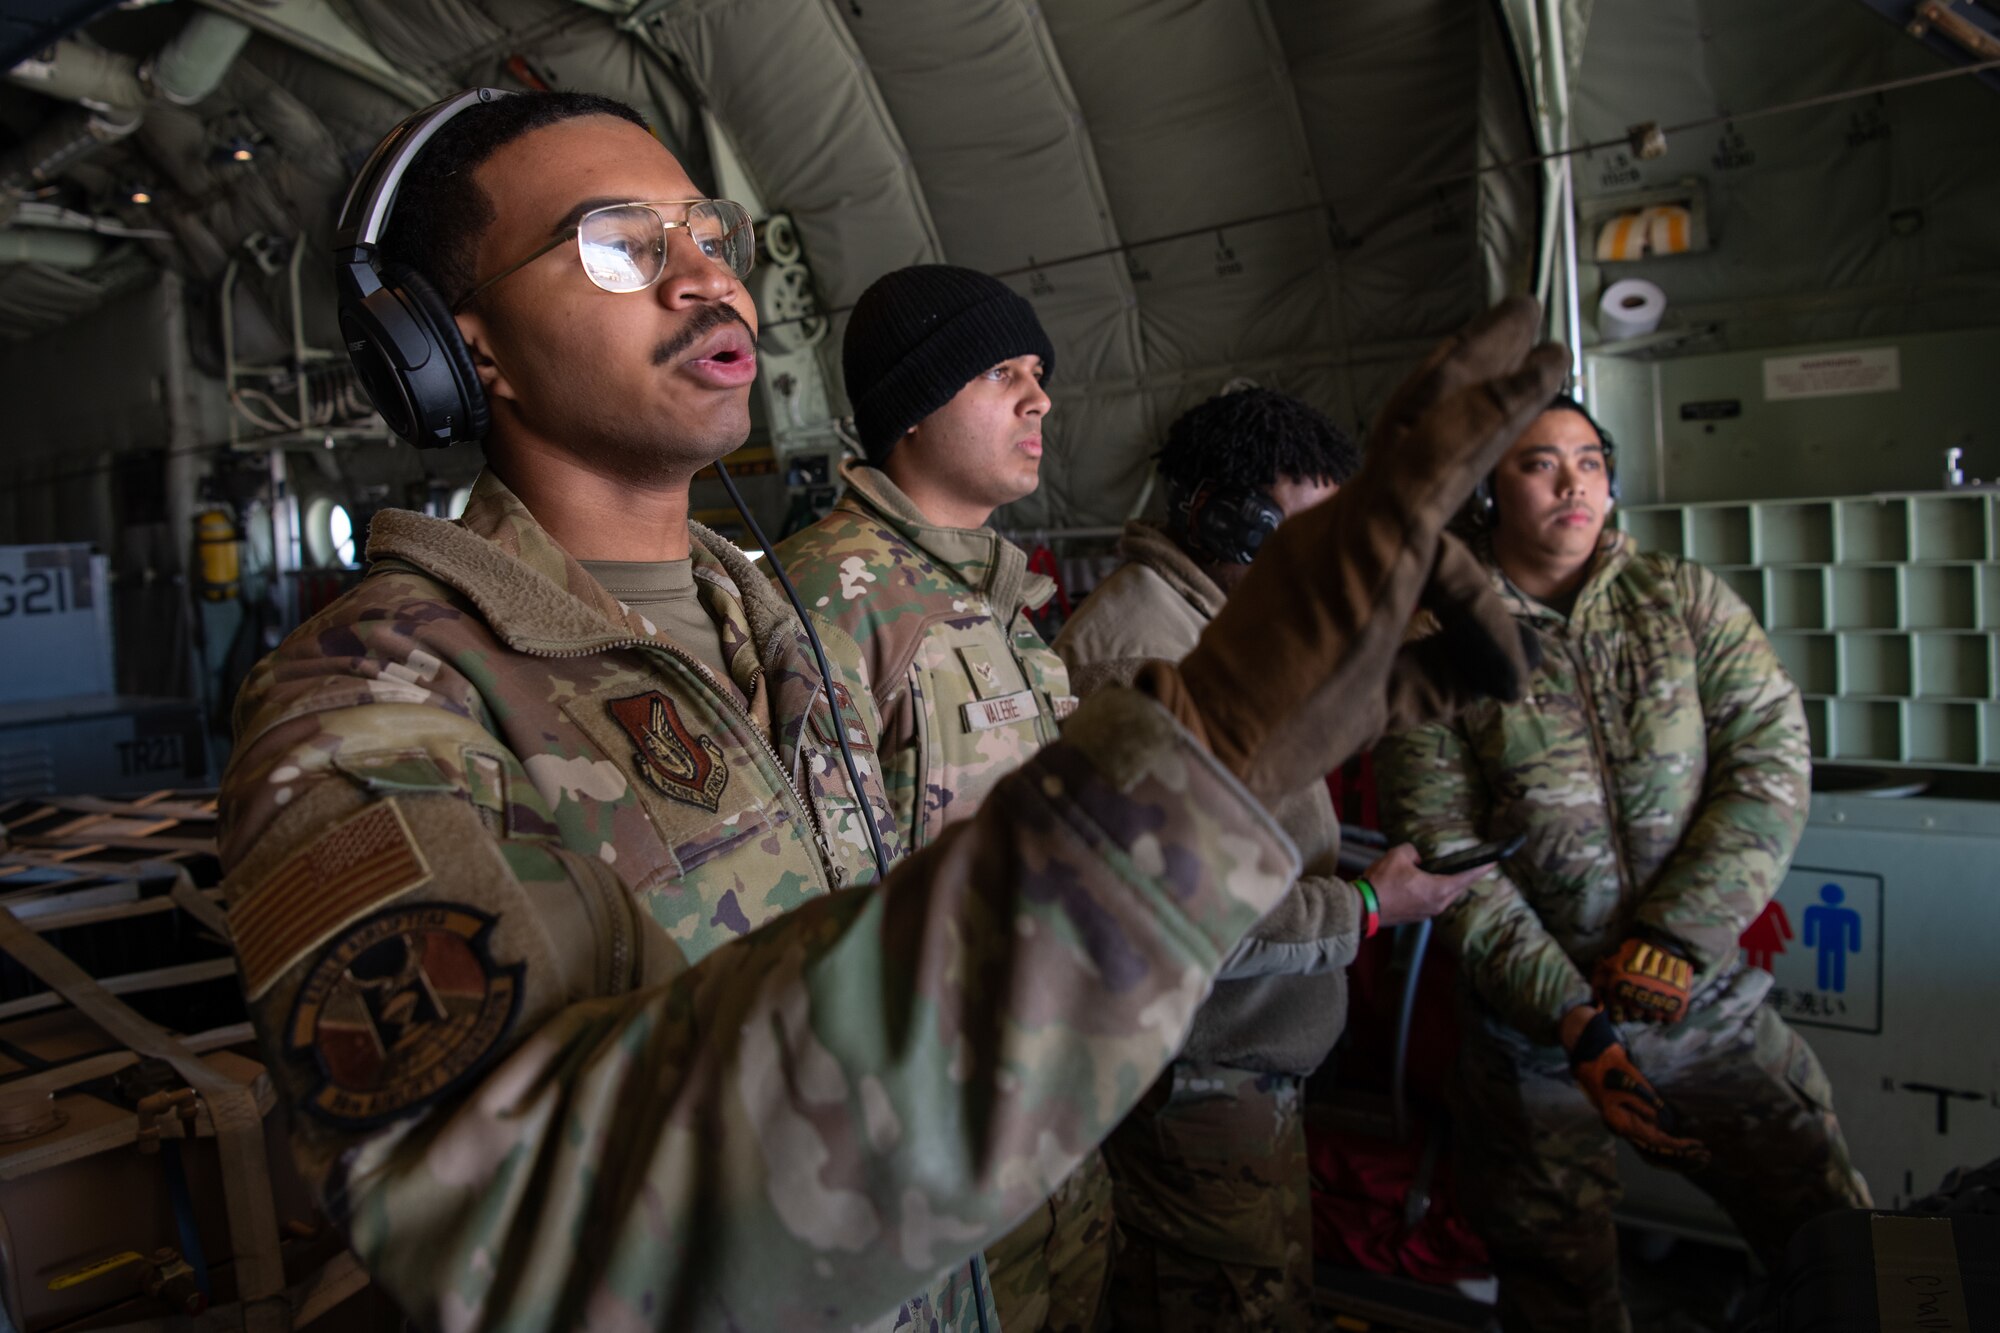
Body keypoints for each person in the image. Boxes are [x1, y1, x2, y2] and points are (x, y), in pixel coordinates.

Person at [218, 87, 1566, 1332]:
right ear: (460, 354)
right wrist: (1205, 747)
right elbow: (517, 1228)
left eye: (708, 229)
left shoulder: (774, 629)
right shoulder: (369, 704)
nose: (703, 273)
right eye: (620, 245)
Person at [1375, 394, 1870, 1332]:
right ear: (1488, 488)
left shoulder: (1682, 601)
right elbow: (1445, 854)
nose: (1575, 483)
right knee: (1558, 1294)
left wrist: (1676, 936)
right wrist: (1570, 1017)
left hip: (1701, 1005)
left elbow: (1770, 761)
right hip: (1537, 1045)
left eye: (1591, 460)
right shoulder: (1436, 646)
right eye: (1540, 464)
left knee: (1846, 1243)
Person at [1051, 387, 1486, 1332]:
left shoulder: (1219, 622)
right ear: (1225, 521)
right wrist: (1369, 906)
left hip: (1238, 1075)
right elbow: (1181, 916)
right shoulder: (1139, 658)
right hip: (1193, 1086)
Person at [773, 265, 1108, 1333]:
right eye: (1001, 371)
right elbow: (821, 927)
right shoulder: (827, 601)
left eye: (1039, 373)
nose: (1038, 398)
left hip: (1051, 1119)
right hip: (940, 1154)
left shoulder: (993, 598)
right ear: (912, 405)